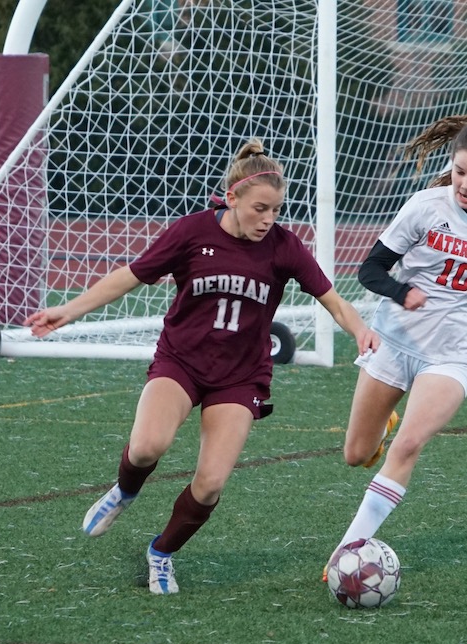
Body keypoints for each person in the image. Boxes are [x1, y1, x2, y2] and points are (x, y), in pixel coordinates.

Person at [25, 140, 378, 594]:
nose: (268, 219)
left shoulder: (284, 247)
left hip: (240, 376)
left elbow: (333, 301)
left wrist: (360, 331)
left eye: (276, 210)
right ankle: (125, 491)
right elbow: (128, 277)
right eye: (260, 208)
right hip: (181, 362)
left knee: (210, 485)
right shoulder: (190, 232)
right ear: (232, 198)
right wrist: (66, 311)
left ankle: (162, 554)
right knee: (147, 447)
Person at [323, 114, 467, 579]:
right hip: (396, 340)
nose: (466, 184)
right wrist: (401, 291)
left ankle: (346, 553)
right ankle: (383, 421)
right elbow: (370, 270)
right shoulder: (424, 207)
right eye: (460, 171)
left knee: (407, 446)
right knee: (355, 454)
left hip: (453, 355)